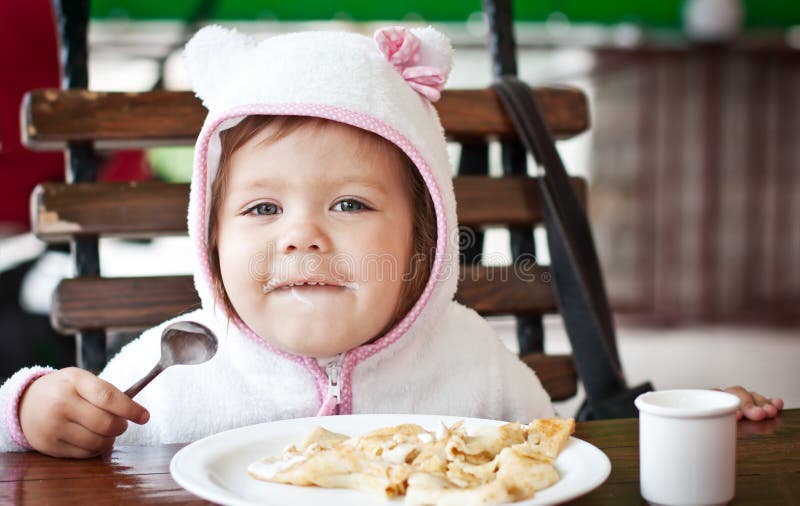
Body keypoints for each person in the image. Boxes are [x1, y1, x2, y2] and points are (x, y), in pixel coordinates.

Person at [0, 26, 783, 458]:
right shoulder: (176, 365)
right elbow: (35, 447)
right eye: (263, 208)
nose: (302, 236)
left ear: (423, 239)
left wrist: (685, 425)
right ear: (210, 240)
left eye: (348, 203)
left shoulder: (472, 360)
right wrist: (33, 411)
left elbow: (558, 455)